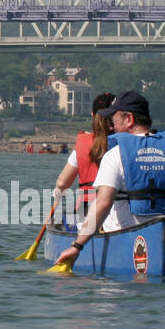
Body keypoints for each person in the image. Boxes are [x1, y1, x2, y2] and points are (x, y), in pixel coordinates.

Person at [53, 90, 165, 268]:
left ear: (129, 119)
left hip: (127, 239)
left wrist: (77, 246)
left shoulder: (115, 154)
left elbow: (103, 204)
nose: (111, 124)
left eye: (115, 118)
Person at [50, 92, 116, 229]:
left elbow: (62, 183)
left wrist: (57, 192)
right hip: (119, 211)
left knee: (60, 223)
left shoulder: (82, 146)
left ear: (93, 115)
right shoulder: (128, 144)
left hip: (87, 212)